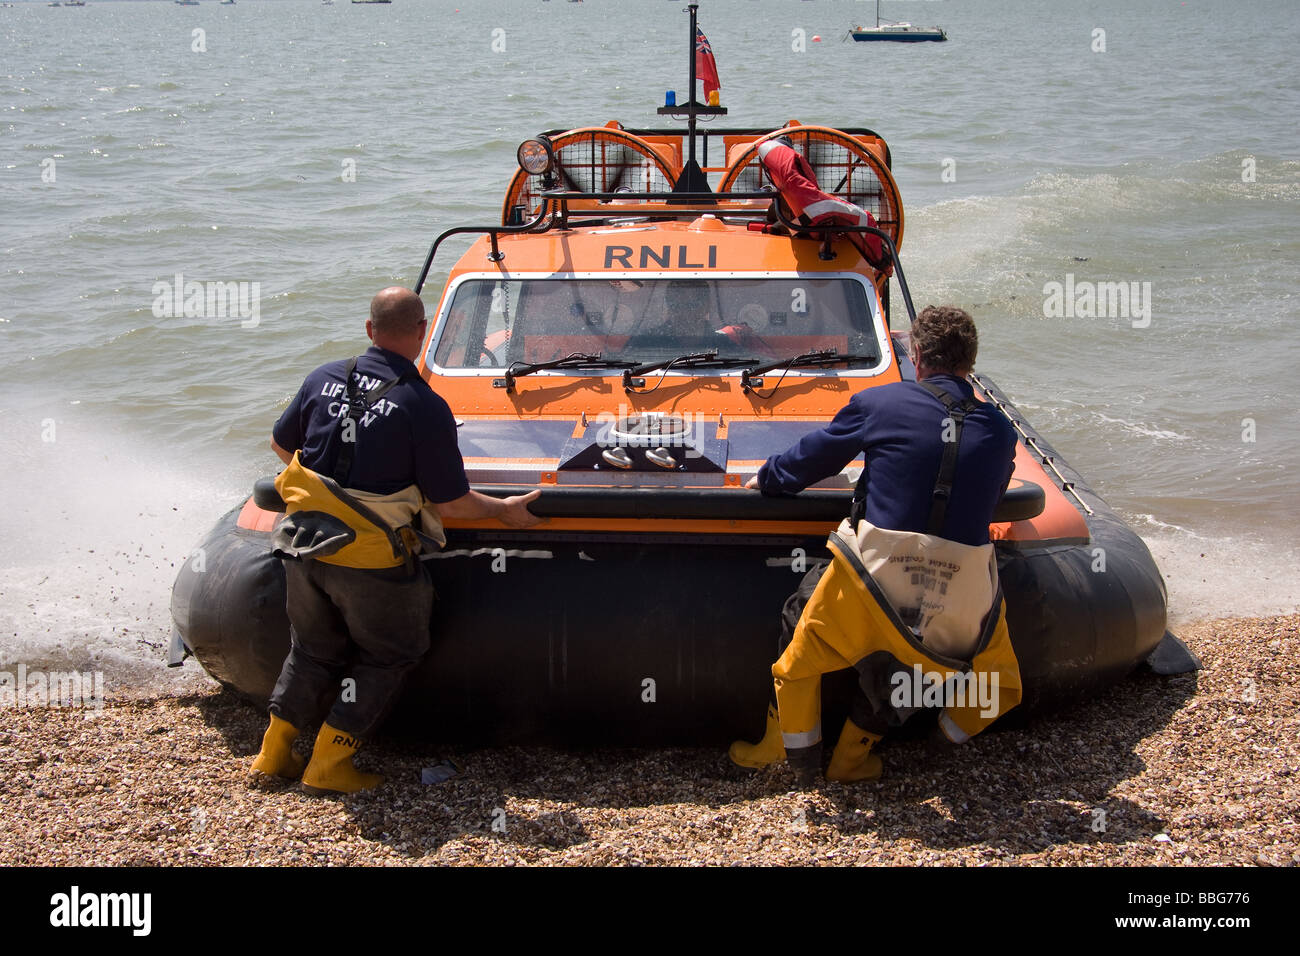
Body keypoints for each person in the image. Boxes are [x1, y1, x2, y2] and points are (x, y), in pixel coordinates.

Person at [251, 286, 542, 795]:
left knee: (312, 649)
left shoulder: (323, 377)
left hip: (302, 544)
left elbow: (281, 443)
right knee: (391, 653)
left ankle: (273, 754)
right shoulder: (423, 404)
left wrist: (333, 493)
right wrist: (506, 512)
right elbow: (451, 504)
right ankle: (328, 765)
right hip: (369, 559)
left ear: (369, 330)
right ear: (424, 334)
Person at [728, 305, 1023, 786]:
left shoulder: (880, 404)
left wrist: (768, 478)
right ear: (970, 360)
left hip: (879, 581)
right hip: (964, 599)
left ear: (917, 353)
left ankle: (784, 748)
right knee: (914, 655)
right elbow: (994, 493)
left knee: (800, 617)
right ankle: (853, 756)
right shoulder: (1000, 430)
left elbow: (807, 461)